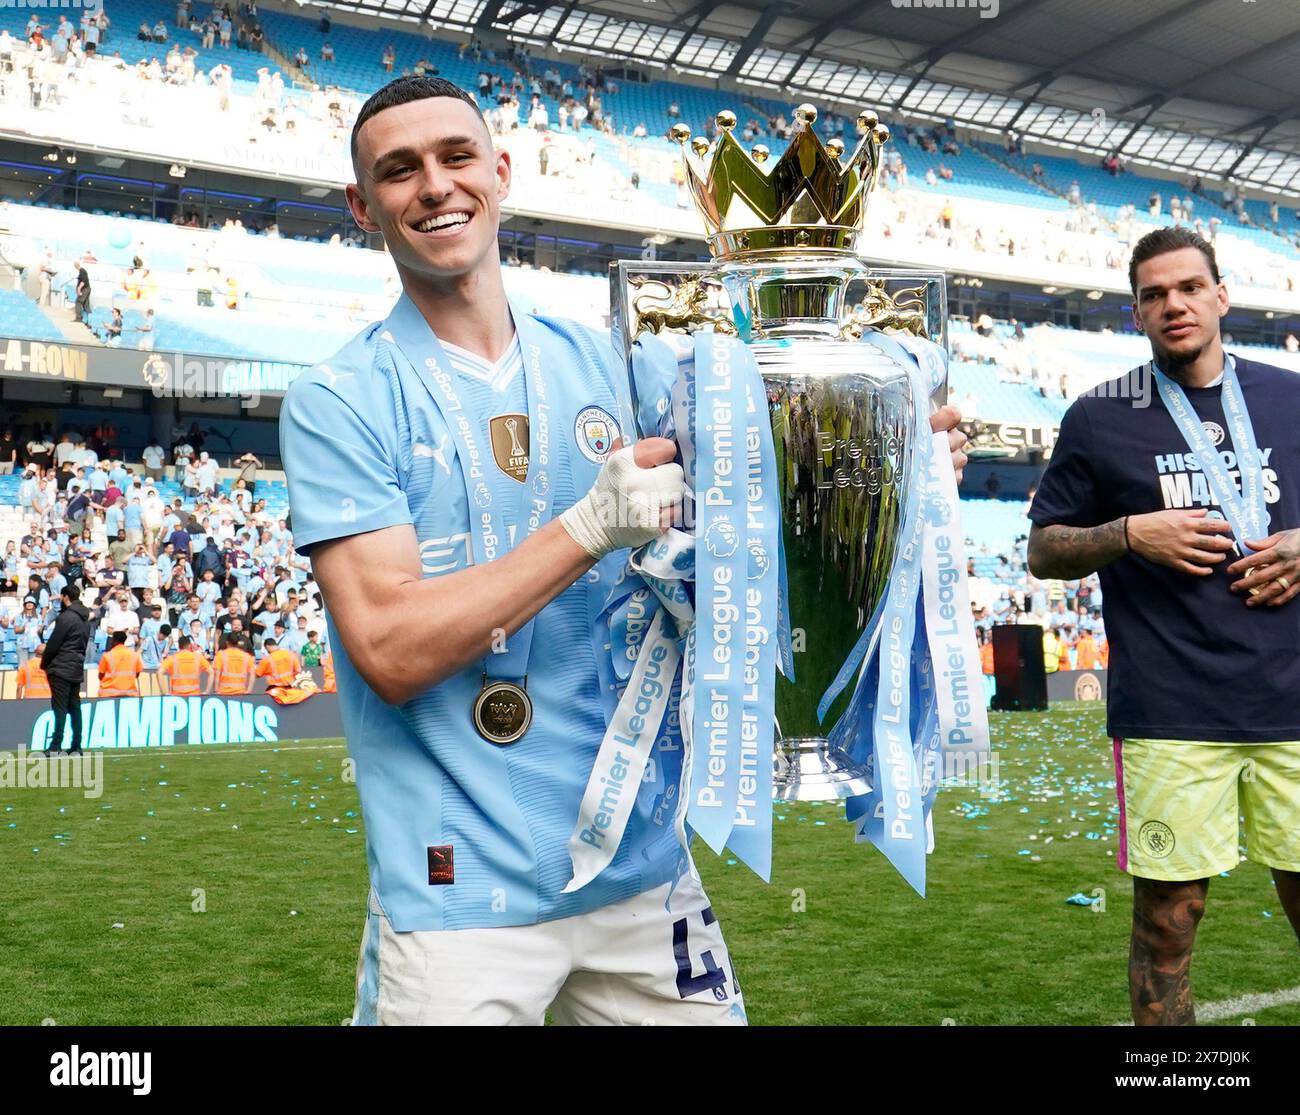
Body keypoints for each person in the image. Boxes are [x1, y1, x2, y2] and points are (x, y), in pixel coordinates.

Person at [279, 75, 970, 1027]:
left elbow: (752, 521)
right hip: (459, 897)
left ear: (501, 173)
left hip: (638, 871)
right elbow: (390, 650)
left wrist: (883, 462)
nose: (434, 186)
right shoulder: (339, 399)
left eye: (455, 157)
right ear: (364, 208)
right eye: (399, 172)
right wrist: (586, 527)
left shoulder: (614, 361)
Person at [1028, 225, 1300, 1025]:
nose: (1173, 304)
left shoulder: (1292, 397)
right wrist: (1126, 533)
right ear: (1136, 314)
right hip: (1174, 707)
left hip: (1296, 700)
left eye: (1188, 287)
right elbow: (1044, 550)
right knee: (1167, 925)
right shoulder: (1100, 416)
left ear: (1222, 295)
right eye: (1154, 295)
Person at [40, 584, 90, 753]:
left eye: (62, 598)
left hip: (61, 667)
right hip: (76, 666)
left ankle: (55, 746)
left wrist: (45, 663)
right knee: (75, 707)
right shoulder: (85, 619)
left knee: (60, 708)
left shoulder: (66, 617)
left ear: (66, 597)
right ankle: (77, 745)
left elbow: (54, 644)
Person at [98, 630, 144, 696]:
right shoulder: (134, 655)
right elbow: (137, 674)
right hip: (129, 693)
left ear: (114, 640)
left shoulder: (107, 655)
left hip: (108, 694)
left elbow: (100, 676)